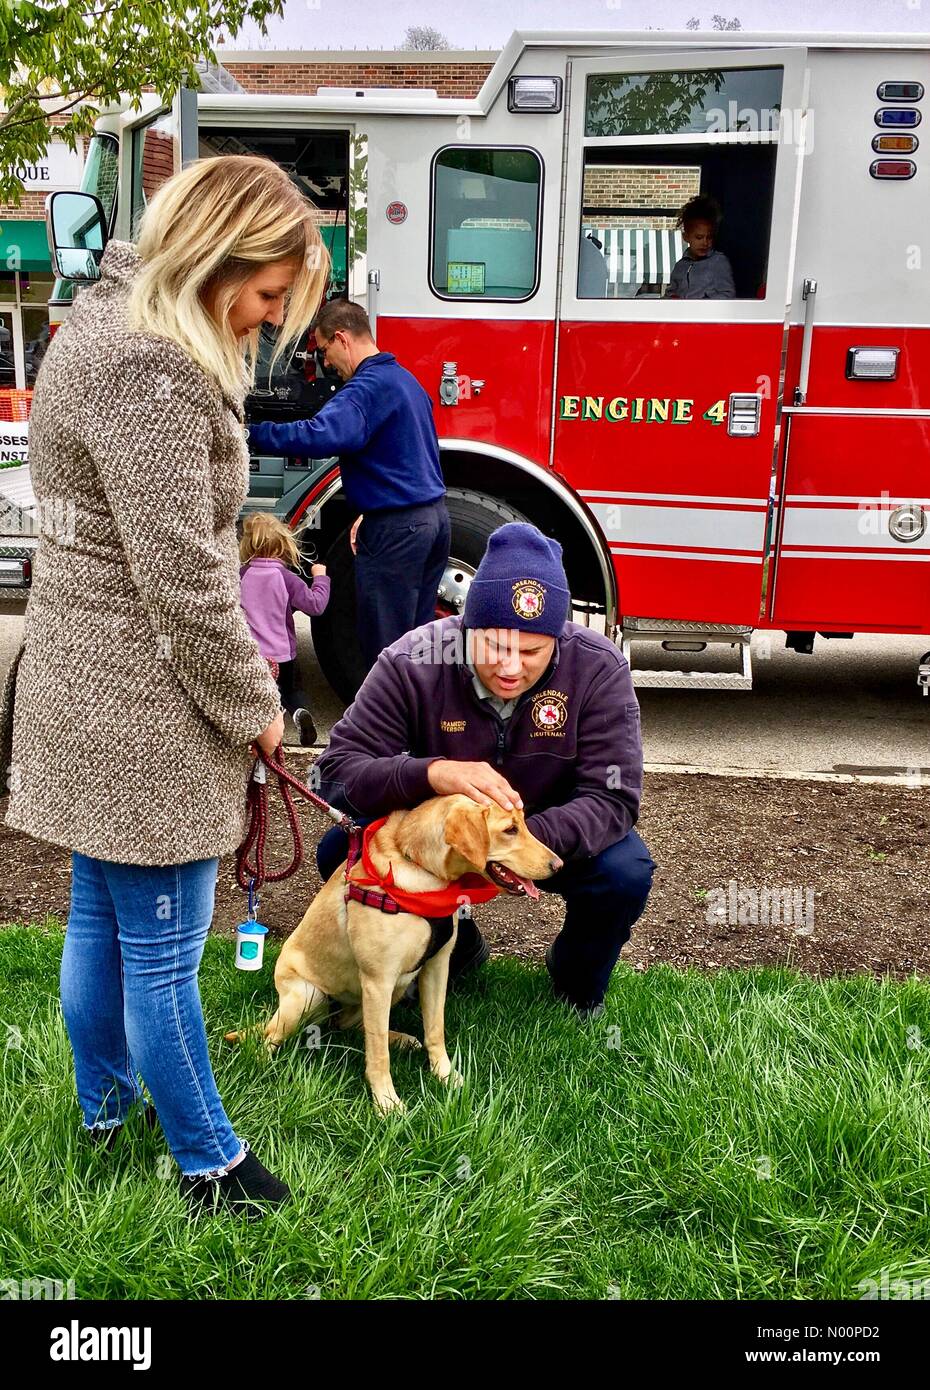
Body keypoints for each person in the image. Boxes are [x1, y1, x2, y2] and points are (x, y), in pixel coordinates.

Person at [0, 153, 331, 1216]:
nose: (268, 321)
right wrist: (258, 710)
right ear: (216, 256)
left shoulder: (96, 326)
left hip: (84, 685)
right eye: (269, 294)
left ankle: (106, 1113)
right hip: (142, 709)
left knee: (98, 921)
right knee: (162, 953)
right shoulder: (150, 369)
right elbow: (187, 585)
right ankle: (209, 1162)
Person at [314, 522, 656, 1019]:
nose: (511, 668)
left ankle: (576, 981)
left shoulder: (599, 669)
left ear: (558, 638)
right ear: (467, 625)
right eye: (494, 645)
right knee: (341, 850)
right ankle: (453, 941)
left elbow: (613, 798)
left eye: (533, 651)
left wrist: (511, 842)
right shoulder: (413, 661)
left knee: (624, 871)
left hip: (541, 838)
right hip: (444, 845)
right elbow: (335, 775)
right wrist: (432, 774)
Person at [244, 299, 450, 671]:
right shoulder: (406, 381)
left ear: (341, 339)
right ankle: (420, 721)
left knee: (385, 648)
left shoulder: (365, 389)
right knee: (416, 642)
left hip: (397, 531)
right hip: (433, 521)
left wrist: (253, 433)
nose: (325, 363)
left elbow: (318, 435)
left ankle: (387, 727)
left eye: (323, 351)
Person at [239, 511, 331, 746]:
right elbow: (316, 606)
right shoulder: (287, 578)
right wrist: (320, 578)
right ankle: (299, 713)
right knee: (291, 692)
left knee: (259, 700)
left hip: (253, 657)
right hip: (283, 655)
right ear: (282, 547)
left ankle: (260, 742)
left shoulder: (242, 575)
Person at [665, 193, 736, 300]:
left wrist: (704, 303)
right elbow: (670, 293)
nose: (705, 242)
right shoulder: (680, 266)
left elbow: (727, 295)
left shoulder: (719, 262)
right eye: (699, 237)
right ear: (686, 237)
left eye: (709, 237)